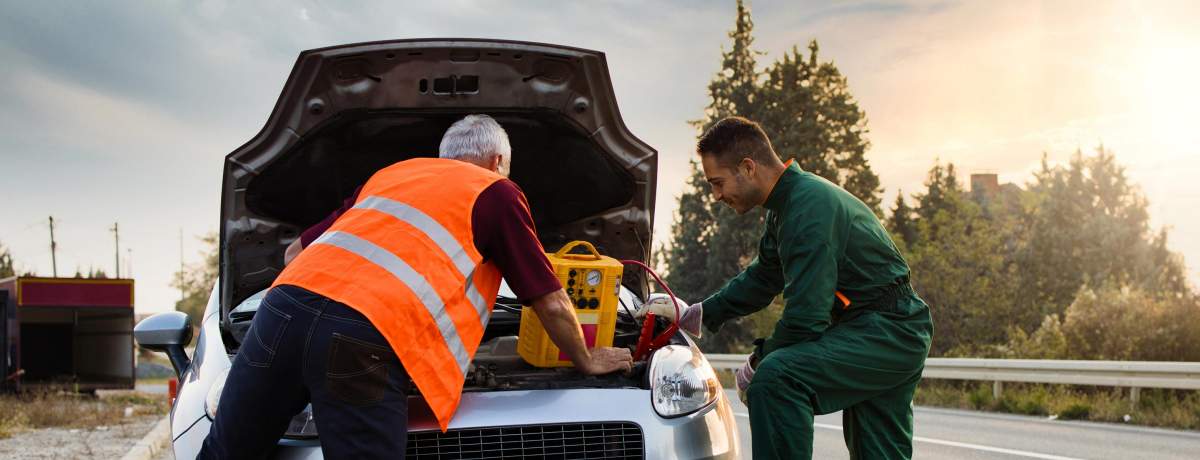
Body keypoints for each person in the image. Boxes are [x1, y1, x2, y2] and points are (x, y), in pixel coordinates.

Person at [201, 114, 633, 459]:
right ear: (498, 163)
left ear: (442, 157)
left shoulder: (393, 176)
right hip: (360, 335)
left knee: (225, 452)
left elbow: (294, 254)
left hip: (279, 312)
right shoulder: (496, 191)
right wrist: (586, 357)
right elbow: (551, 298)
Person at [640, 117, 933, 459]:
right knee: (879, 452)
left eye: (718, 183)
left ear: (748, 167)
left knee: (776, 378)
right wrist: (698, 314)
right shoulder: (788, 206)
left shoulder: (808, 207)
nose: (716, 195)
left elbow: (807, 316)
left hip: (887, 331)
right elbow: (763, 277)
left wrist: (759, 361)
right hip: (883, 330)